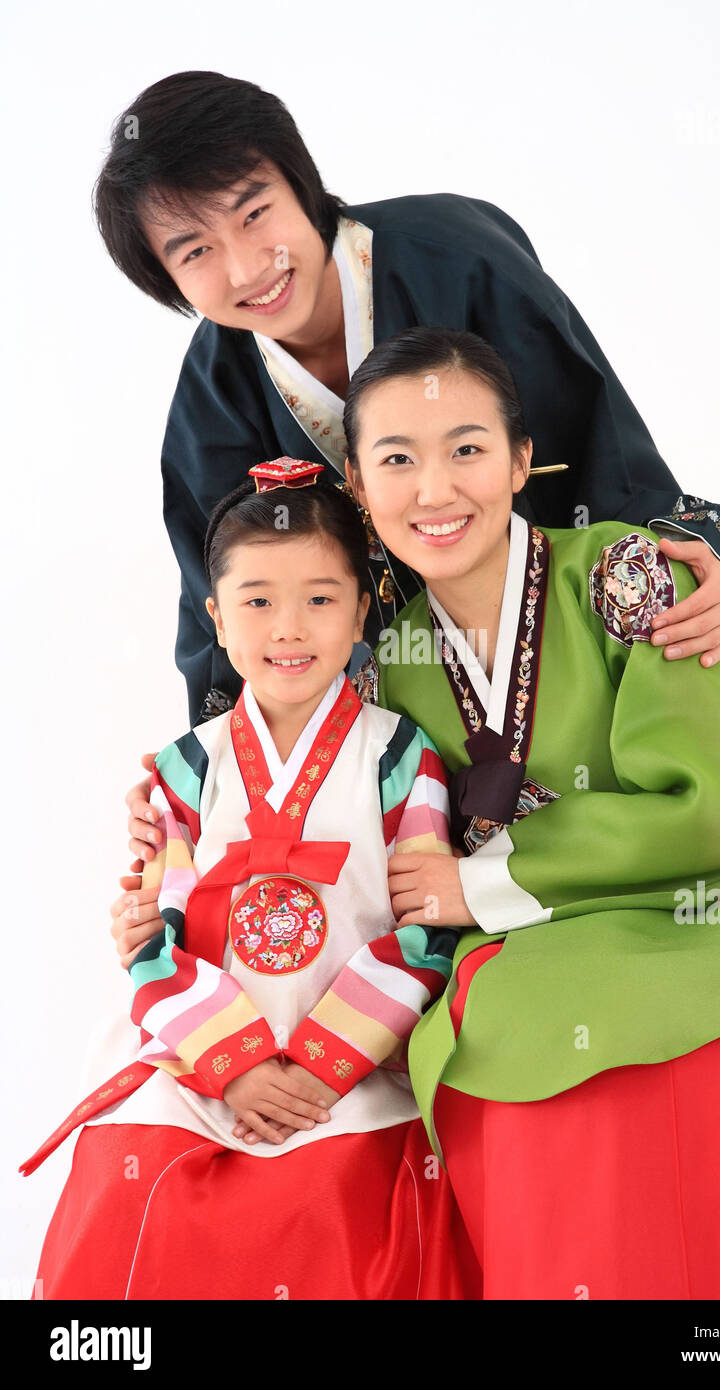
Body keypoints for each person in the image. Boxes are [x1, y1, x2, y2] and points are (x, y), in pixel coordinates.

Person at [228, 327, 720, 1299]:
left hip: (702, 894)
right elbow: (336, 829)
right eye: (397, 460)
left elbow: (717, 808)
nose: (435, 491)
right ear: (357, 486)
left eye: (467, 450)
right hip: (529, 938)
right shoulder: (387, 658)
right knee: (504, 1034)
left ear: (524, 460)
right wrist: (175, 877)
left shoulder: (617, 569)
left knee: (699, 1043)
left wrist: (481, 882)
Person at [95, 69, 720, 730]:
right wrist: (205, 778)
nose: (246, 268)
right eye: (197, 251)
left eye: (254, 213)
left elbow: (599, 443)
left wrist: (693, 560)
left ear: (301, 183)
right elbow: (224, 611)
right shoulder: (214, 399)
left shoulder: (463, 263)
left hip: (568, 663)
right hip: (396, 730)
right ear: (166, 279)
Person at [20, 461, 480, 1300]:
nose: (289, 628)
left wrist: (315, 1065)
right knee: (133, 1188)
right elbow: (149, 939)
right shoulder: (181, 773)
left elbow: (425, 932)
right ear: (218, 622)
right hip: (201, 1062)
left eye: (320, 597)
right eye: (258, 601)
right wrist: (234, 1065)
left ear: (362, 611)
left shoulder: (404, 761)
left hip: (353, 1061)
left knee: (343, 1214)